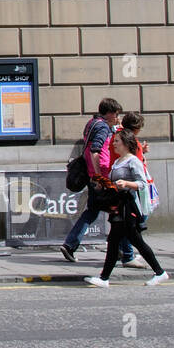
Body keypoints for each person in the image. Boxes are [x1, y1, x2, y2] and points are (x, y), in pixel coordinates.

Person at [84, 131, 169, 287]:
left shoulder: (133, 161)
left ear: (125, 143)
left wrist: (127, 184)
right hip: (119, 207)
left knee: (126, 242)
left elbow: (142, 183)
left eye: (117, 141)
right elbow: (113, 183)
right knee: (118, 242)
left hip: (128, 207)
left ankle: (159, 273)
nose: (114, 144)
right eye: (114, 141)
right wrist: (102, 183)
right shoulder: (117, 162)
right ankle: (158, 273)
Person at [60, 98, 138, 266]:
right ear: (109, 113)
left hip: (93, 174)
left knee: (95, 211)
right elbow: (96, 151)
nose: (117, 118)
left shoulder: (92, 123)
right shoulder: (102, 127)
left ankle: (72, 244)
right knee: (119, 212)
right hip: (101, 176)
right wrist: (98, 178)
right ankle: (124, 252)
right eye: (116, 115)